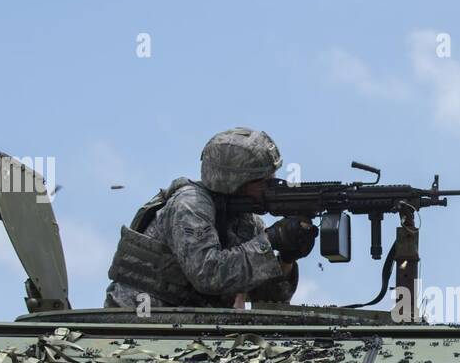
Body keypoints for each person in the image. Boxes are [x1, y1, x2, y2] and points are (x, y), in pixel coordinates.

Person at [104, 128, 316, 308]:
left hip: (184, 329)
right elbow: (208, 274)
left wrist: (287, 259)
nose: (271, 184)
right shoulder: (190, 205)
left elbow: (267, 300)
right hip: (138, 324)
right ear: (234, 181)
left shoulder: (245, 221)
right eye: (263, 179)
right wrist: (270, 240)